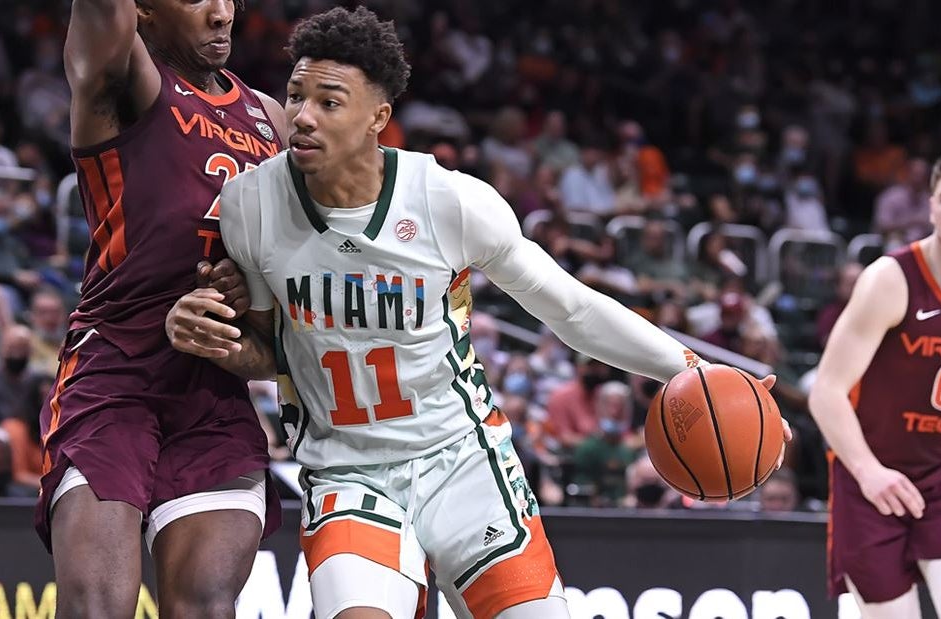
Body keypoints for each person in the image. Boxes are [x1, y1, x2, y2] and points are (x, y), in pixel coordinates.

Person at [168, 8, 790, 618]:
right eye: (296, 95)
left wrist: (699, 372)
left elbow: (571, 309)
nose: (300, 116)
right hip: (347, 470)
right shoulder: (251, 205)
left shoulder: (449, 202)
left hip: (461, 460)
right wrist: (223, 342)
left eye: (328, 102)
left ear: (377, 118)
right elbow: (269, 349)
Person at [39, 1, 288, 617]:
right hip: (115, 374)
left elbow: (299, 281)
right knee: (98, 606)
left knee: (203, 605)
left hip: (216, 390)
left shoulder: (271, 118)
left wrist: (252, 294)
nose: (222, 12)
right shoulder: (125, 80)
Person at [809, 145, 941, 619]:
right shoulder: (891, 280)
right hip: (870, 478)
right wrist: (869, 472)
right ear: (930, 204)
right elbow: (826, 392)